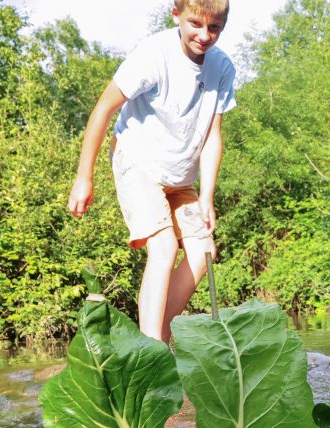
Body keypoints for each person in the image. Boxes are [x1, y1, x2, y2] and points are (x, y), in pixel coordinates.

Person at [67, 0, 235, 343]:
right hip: (138, 163)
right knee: (163, 247)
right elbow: (102, 110)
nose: (204, 35)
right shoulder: (153, 55)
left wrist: (206, 197)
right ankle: (152, 349)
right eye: (195, 24)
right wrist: (85, 176)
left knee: (204, 253)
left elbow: (213, 136)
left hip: (180, 178)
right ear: (176, 15)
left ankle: (153, 340)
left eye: (214, 27)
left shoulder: (222, 67)